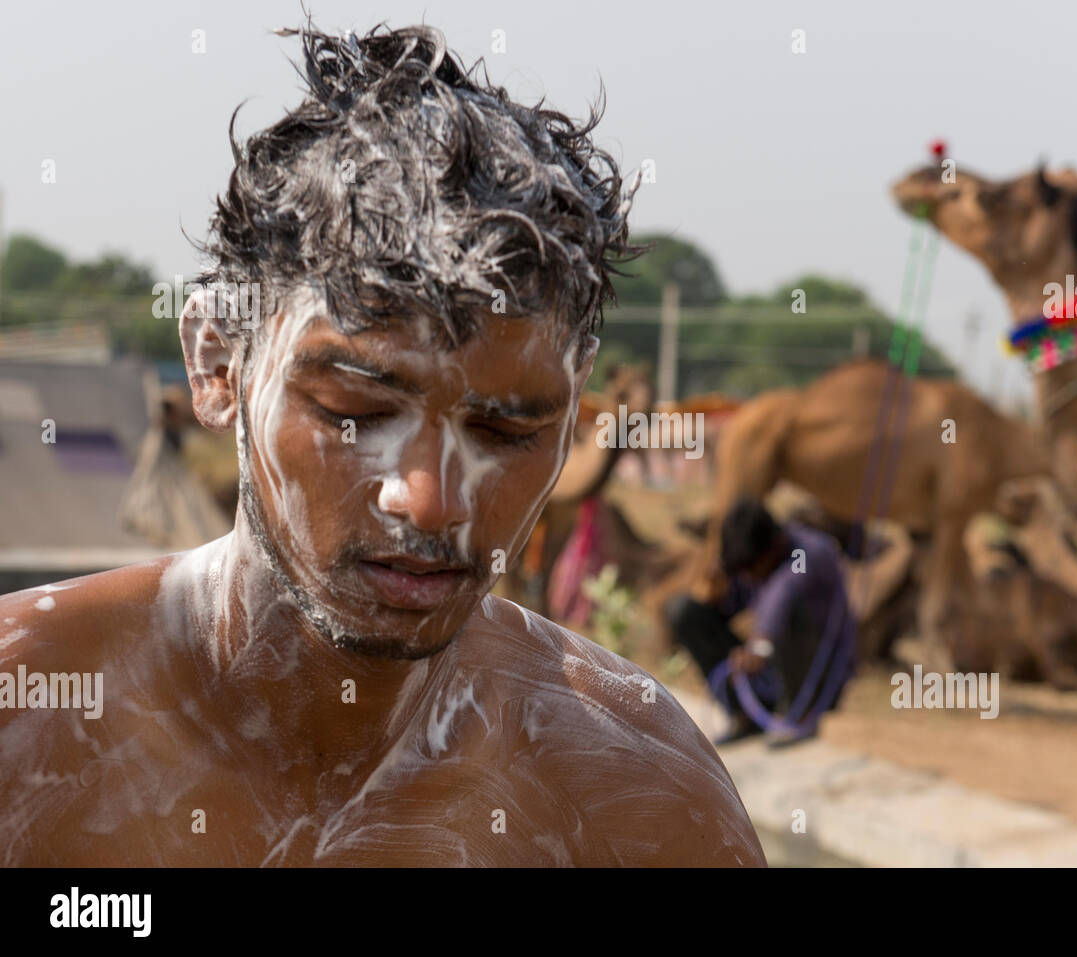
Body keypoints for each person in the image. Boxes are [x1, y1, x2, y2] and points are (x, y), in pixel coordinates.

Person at [0, 24, 764, 867]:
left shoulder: (638, 798)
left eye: (507, 429)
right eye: (354, 413)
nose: (432, 500)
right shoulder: (25, 718)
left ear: (573, 404)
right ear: (218, 364)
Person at [666, 499, 857, 748]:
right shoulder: (754, 562)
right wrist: (715, 596)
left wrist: (760, 643)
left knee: (793, 609)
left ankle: (800, 715)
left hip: (818, 677)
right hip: (771, 674)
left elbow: (784, 592)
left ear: (775, 545)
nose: (749, 577)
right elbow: (737, 598)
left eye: (751, 569)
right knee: (685, 611)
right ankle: (745, 716)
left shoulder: (810, 552)